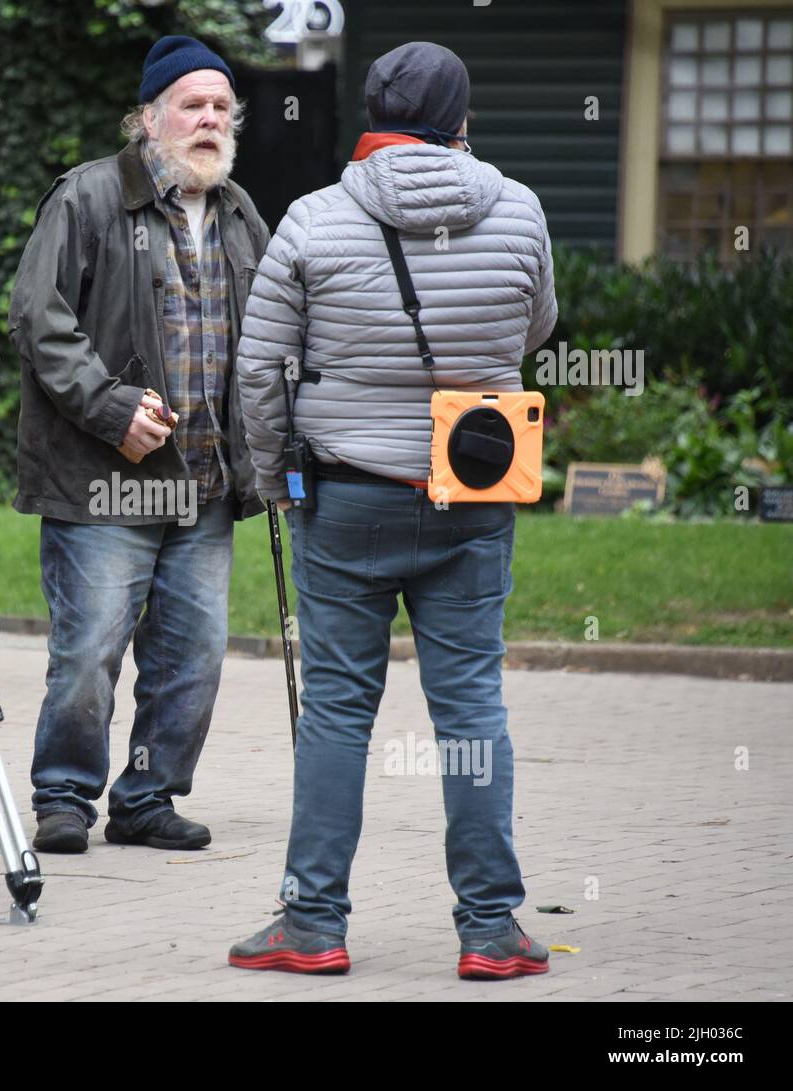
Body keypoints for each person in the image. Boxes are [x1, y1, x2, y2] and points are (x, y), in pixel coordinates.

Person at [229, 41, 558, 978]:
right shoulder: (519, 207)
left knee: (335, 712)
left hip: (344, 498)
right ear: (460, 120)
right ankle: (492, 930)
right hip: (476, 488)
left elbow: (260, 369)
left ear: (370, 112)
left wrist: (273, 479)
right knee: (472, 710)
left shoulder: (313, 219)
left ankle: (314, 923)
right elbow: (534, 326)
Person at [9, 36, 269, 855]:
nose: (209, 120)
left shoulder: (238, 212)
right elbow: (37, 319)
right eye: (192, 105)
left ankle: (148, 795)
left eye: (222, 107)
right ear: (148, 118)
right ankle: (64, 795)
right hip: (105, 479)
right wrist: (111, 406)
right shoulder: (87, 199)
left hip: (205, 481)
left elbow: (265, 339)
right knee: (88, 650)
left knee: (193, 657)